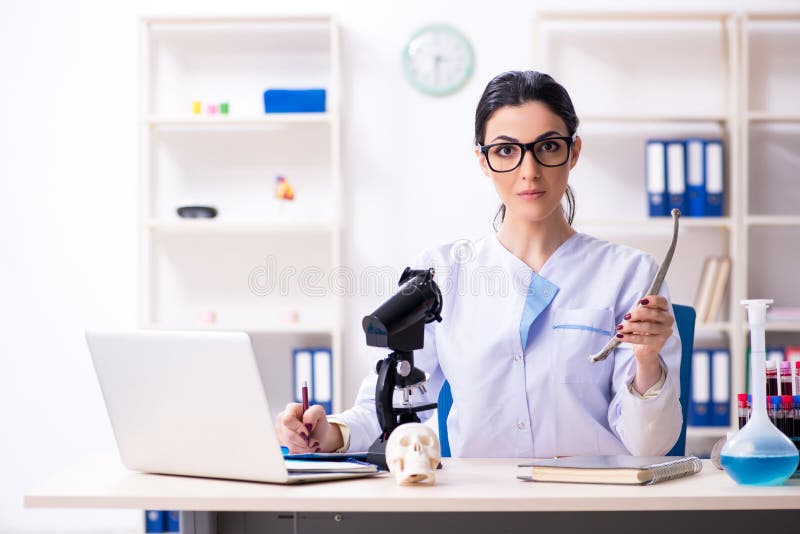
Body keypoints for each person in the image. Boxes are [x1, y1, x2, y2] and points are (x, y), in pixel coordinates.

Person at [276, 70, 682, 458]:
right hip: (478, 501)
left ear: (573, 151)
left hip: (595, 504)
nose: (529, 171)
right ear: (483, 160)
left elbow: (650, 445)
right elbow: (390, 406)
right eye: (506, 150)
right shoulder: (440, 275)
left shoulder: (630, 275)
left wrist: (648, 359)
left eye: (548, 146)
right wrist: (326, 433)